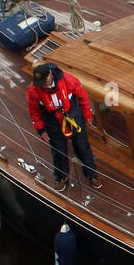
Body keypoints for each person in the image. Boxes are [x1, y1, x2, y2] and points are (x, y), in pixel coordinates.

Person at [26, 62, 102, 192]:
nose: (42, 84)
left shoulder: (69, 80)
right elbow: (34, 111)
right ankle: (61, 177)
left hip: (72, 117)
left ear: (50, 74)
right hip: (52, 121)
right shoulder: (34, 90)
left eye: (44, 80)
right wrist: (41, 129)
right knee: (58, 151)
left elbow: (83, 97)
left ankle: (91, 174)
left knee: (83, 148)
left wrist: (88, 115)